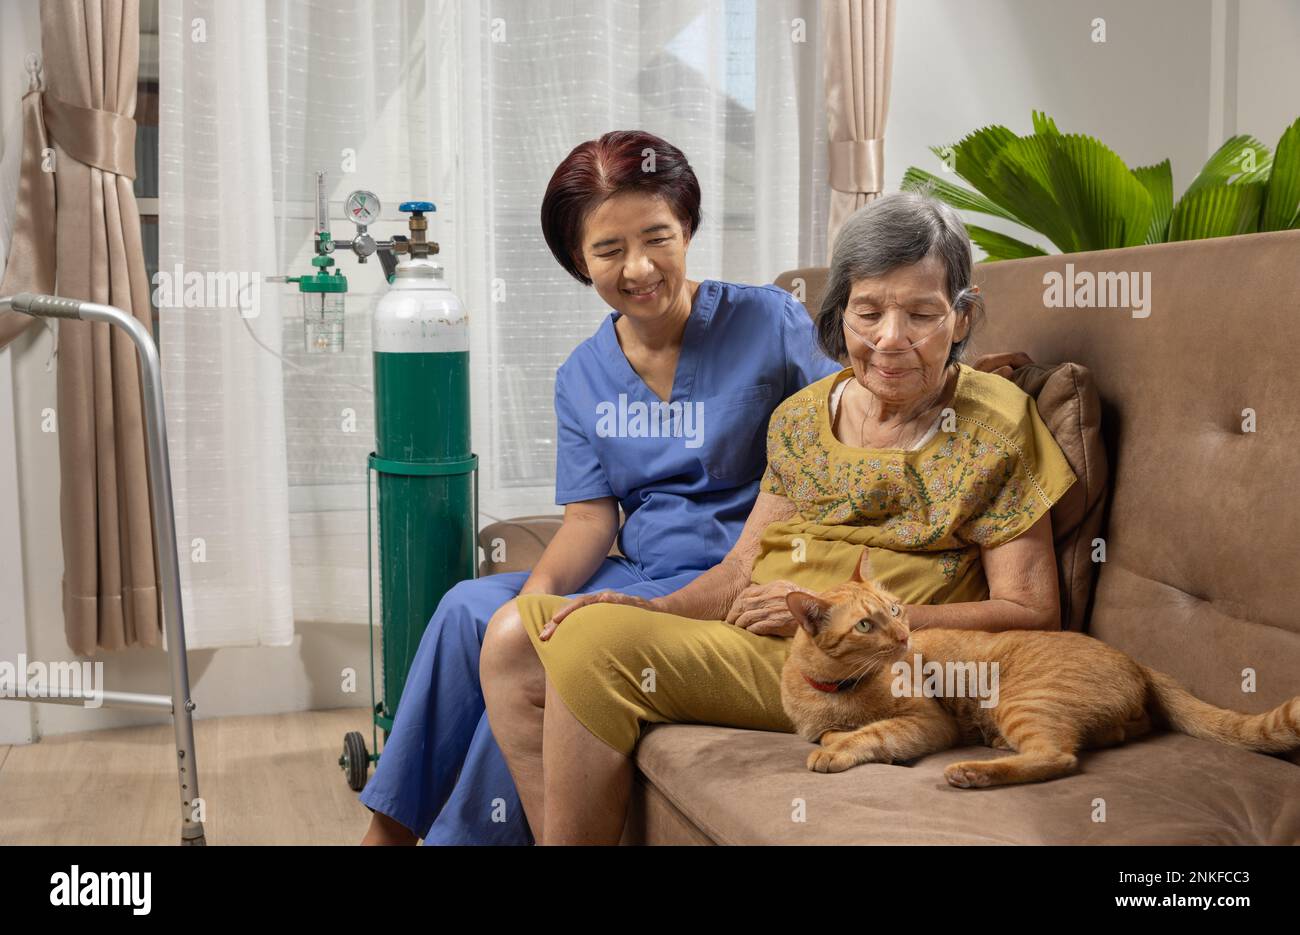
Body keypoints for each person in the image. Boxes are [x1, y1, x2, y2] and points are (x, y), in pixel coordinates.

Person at [480, 189, 1079, 844]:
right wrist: (651, 611)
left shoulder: (996, 424)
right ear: (839, 315)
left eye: (921, 315)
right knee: (518, 641)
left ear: (961, 319)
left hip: (868, 672)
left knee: (586, 646)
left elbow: (1031, 610)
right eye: (868, 311)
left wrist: (847, 621)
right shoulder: (801, 416)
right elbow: (742, 569)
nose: (890, 339)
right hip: (762, 647)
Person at [359, 129, 842, 844]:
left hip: (729, 574)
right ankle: (389, 832)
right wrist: (534, 596)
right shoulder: (582, 373)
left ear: (688, 229)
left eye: (659, 237)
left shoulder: (769, 320)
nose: (640, 267)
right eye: (610, 250)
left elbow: (848, 422)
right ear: (579, 262)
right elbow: (590, 520)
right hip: (637, 566)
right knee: (471, 607)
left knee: (535, 645)